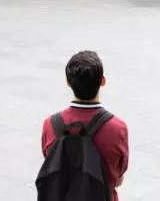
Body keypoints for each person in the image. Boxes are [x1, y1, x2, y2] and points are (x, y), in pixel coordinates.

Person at [39, 51, 129, 200]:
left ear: (68, 82)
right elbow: (118, 176)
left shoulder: (50, 125)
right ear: (102, 81)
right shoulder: (117, 127)